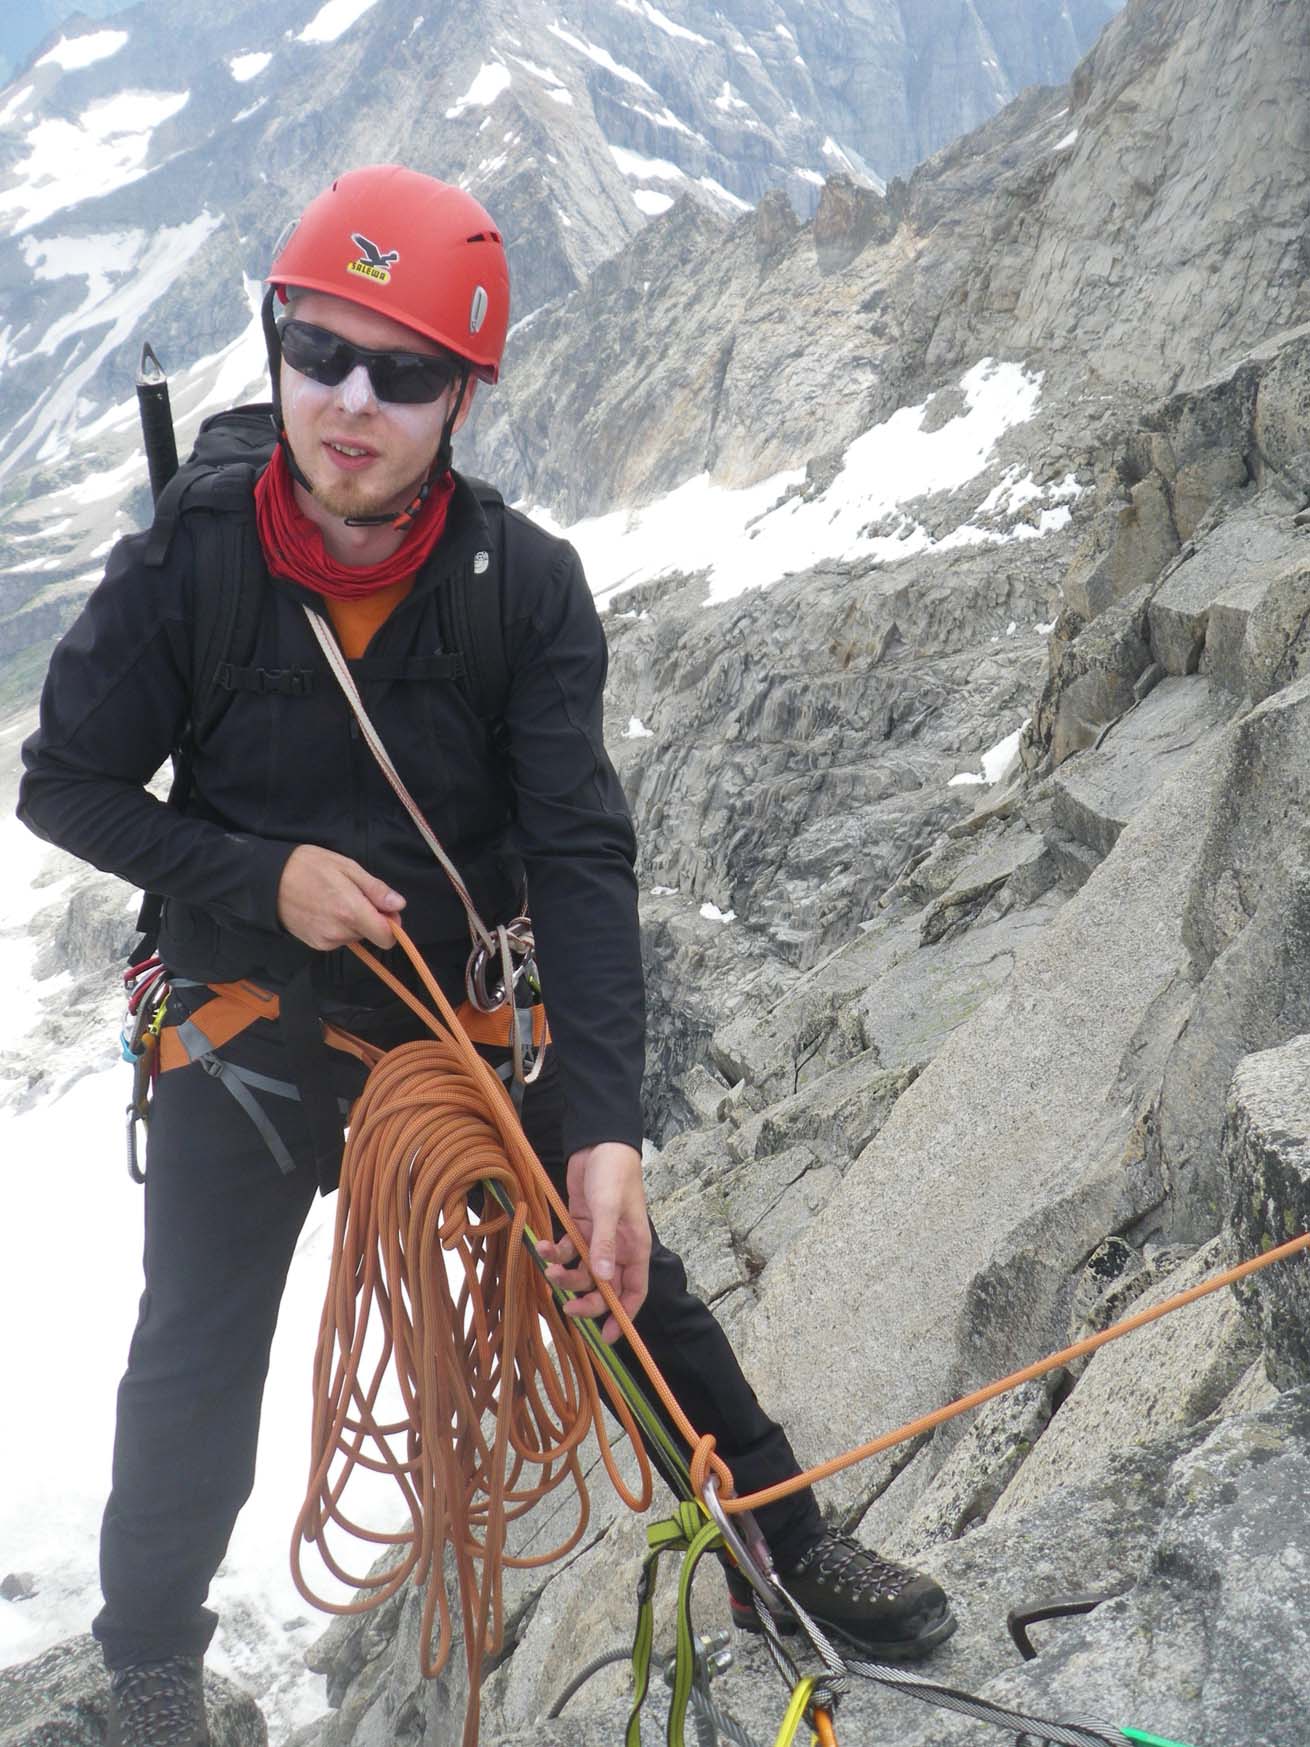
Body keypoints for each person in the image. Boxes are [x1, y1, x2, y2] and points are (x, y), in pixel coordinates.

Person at [18, 165, 954, 1747]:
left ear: (464, 399)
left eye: (405, 371)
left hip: (445, 1031)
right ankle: (151, 1663)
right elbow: (64, 786)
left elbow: (581, 855)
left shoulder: (521, 590)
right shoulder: (189, 563)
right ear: (275, 345)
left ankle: (782, 1543)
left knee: (624, 1287)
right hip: (242, 1021)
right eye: (319, 353)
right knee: (194, 1343)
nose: (351, 402)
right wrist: (263, 875)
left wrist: (604, 1131)